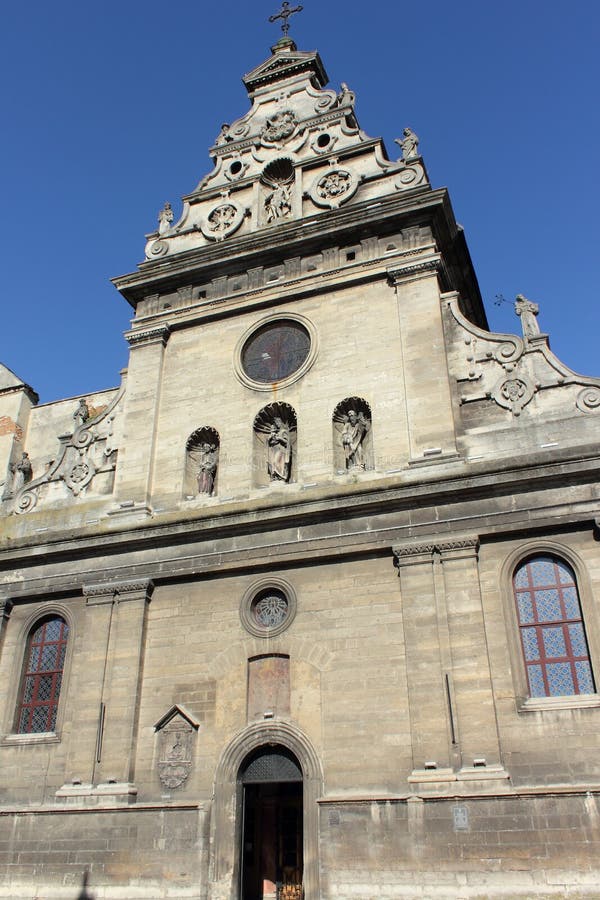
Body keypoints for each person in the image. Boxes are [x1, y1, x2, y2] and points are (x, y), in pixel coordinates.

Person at [267, 418, 291, 482]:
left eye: (278, 422)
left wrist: (280, 438)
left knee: (276, 462)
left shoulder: (283, 431)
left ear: (281, 423)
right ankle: (275, 477)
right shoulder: (275, 433)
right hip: (274, 450)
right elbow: (269, 444)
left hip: (281, 449)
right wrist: (270, 438)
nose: (277, 424)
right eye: (276, 423)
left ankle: (281, 476)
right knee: (273, 463)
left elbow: (287, 442)